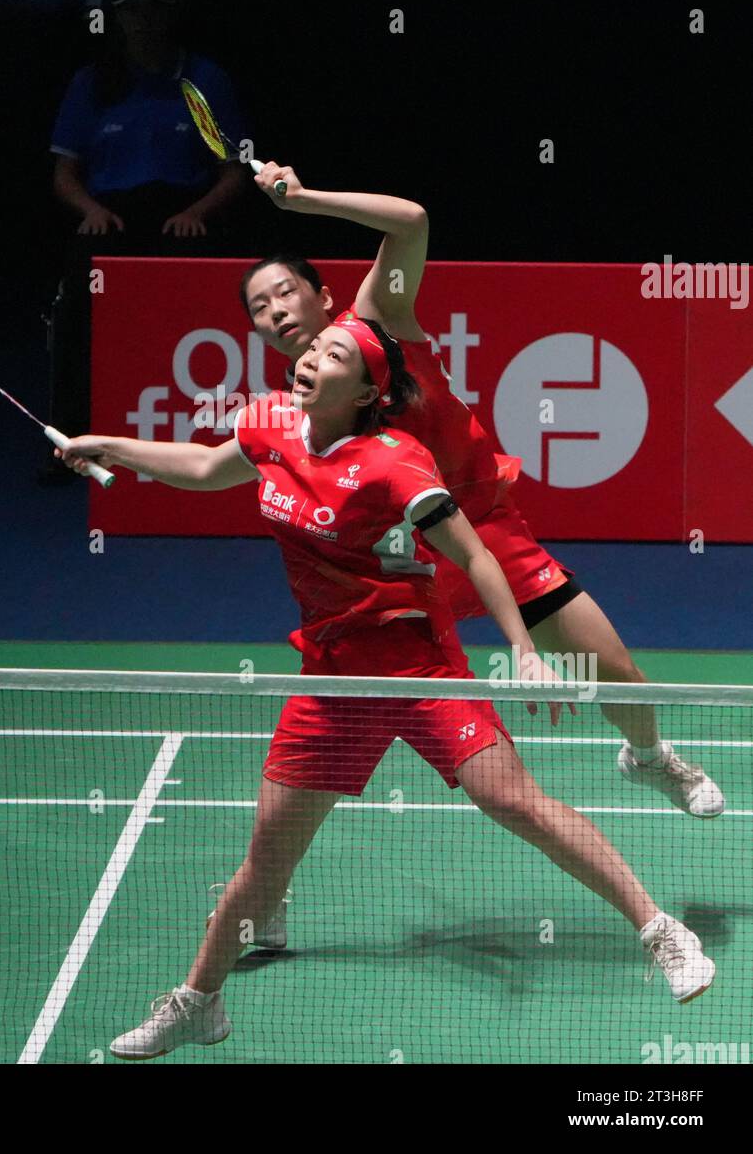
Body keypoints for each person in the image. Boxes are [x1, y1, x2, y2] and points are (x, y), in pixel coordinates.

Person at [57, 319, 715, 1059]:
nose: (310, 357)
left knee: (513, 799)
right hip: (332, 677)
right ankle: (197, 1004)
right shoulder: (271, 425)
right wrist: (105, 445)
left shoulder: (393, 463)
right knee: (266, 861)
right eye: (313, 350)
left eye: (333, 355)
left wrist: (526, 651)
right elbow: (206, 468)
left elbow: (474, 553)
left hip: (415, 664)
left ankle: (662, 931)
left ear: (369, 391)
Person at [240, 164, 724, 819]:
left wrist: (303, 200)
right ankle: (270, 891)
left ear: (323, 296)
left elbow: (411, 220)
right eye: (259, 309)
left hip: (482, 527)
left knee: (611, 668)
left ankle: (650, 758)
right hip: (398, 573)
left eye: (284, 293)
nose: (274, 312)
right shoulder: (298, 406)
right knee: (339, 732)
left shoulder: (377, 317)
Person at [43, 0, 249, 472]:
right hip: (109, 217)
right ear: (117, 19)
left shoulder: (201, 80)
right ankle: (70, 445)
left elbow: (234, 172)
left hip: (181, 215)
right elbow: (64, 174)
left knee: (203, 304)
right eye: (131, 11)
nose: (142, 21)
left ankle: (197, 438)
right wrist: (90, 209)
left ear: (168, 15)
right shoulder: (95, 82)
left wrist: (197, 212)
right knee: (75, 314)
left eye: (151, 10)